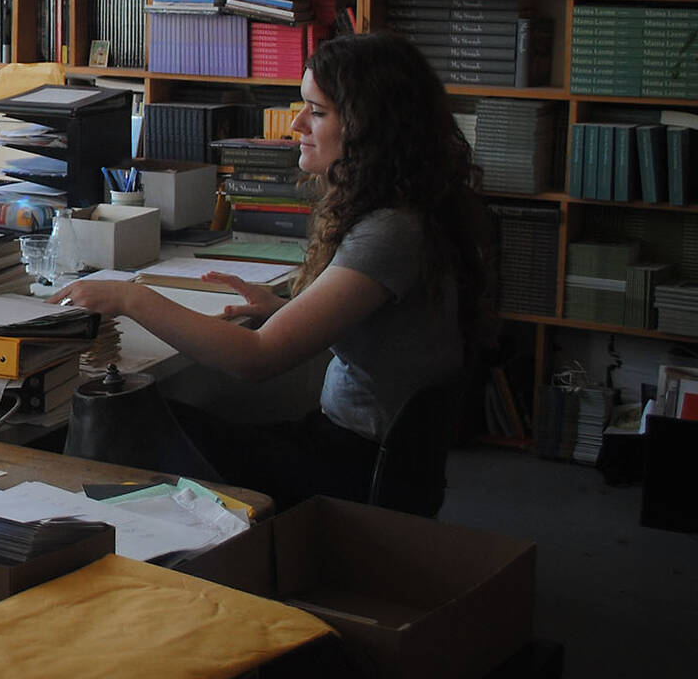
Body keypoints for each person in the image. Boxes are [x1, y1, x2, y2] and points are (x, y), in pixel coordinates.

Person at [54, 33, 490, 510]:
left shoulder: (391, 231)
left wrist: (128, 298)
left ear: (370, 129)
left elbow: (256, 359)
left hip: (353, 464)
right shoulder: (415, 210)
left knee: (125, 417)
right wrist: (286, 309)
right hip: (370, 452)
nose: (297, 123)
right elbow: (384, 331)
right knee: (172, 416)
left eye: (317, 112)